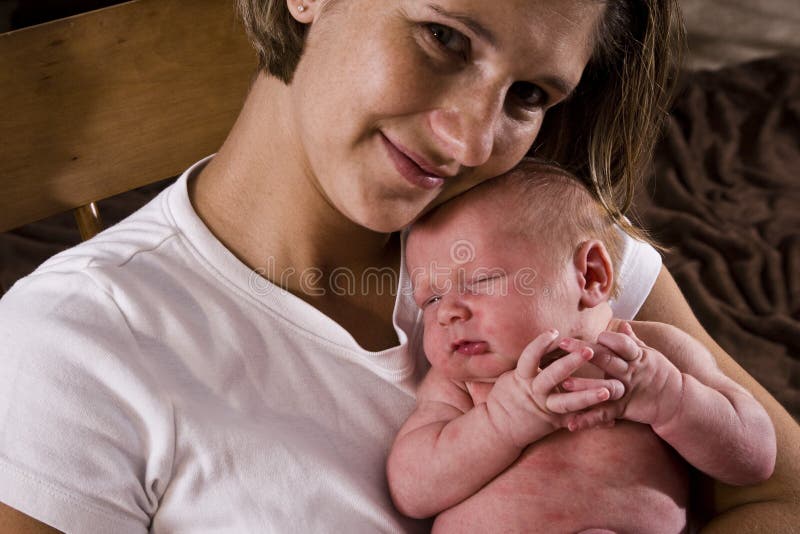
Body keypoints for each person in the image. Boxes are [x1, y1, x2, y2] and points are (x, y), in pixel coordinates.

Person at [0, 0, 797, 532]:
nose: (471, 142)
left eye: (527, 94)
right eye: (444, 38)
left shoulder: (547, 252)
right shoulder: (75, 347)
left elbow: (778, 491)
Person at [387, 161, 776, 532]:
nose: (447, 313)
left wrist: (671, 399)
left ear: (590, 276)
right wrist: (498, 424)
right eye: (430, 300)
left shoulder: (652, 352)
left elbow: (756, 457)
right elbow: (411, 490)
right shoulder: (462, 385)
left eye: (481, 280)